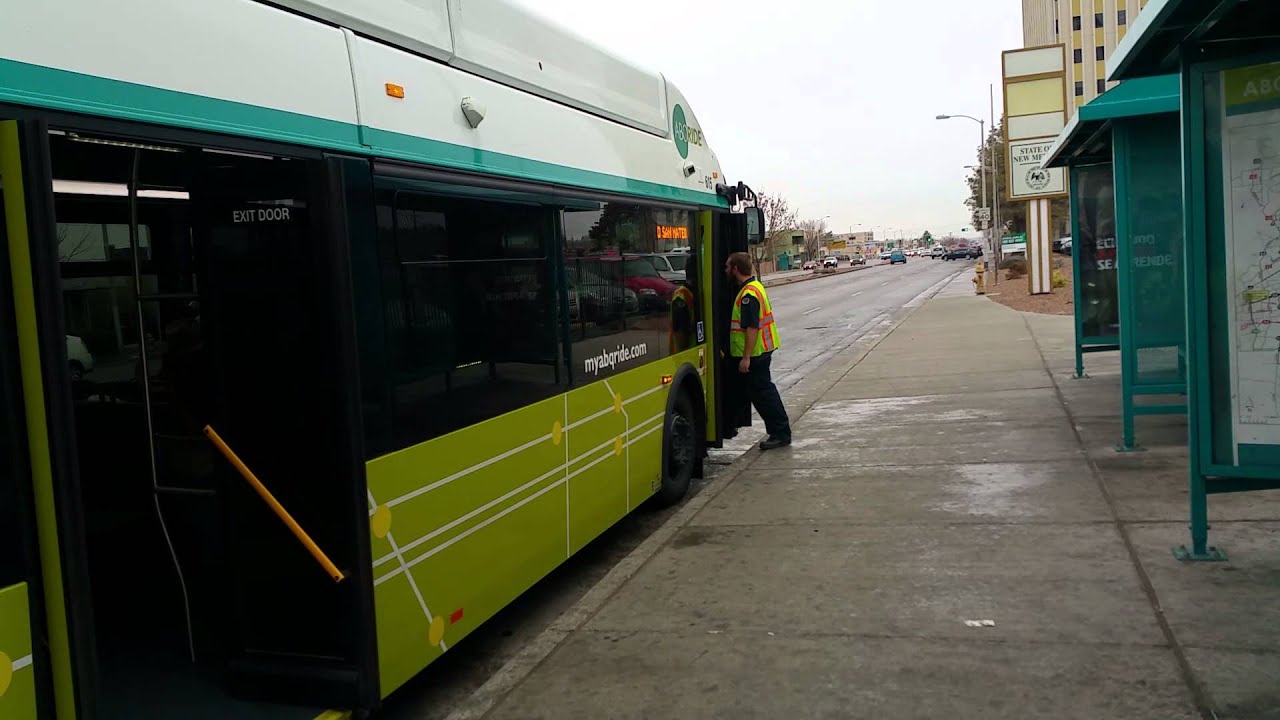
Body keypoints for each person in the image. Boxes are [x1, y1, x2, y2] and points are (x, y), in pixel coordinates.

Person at [724, 252, 791, 450]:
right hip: (761, 351)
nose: (726, 270)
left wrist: (746, 358)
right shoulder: (755, 287)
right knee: (756, 392)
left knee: (764, 394)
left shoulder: (748, 295)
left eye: (728, 267)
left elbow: (751, 328)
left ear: (736, 269)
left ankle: (780, 432)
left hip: (755, 354)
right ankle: (734, 425)